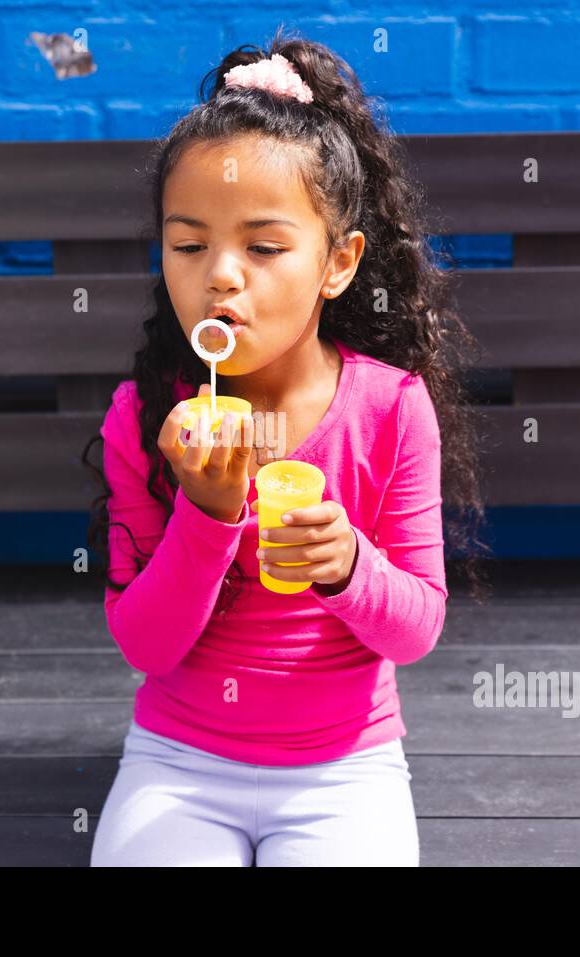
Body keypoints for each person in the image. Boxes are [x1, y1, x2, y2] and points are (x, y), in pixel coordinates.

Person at [81, 26, 490, 866]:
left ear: (337, 263)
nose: (222, 275)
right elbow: (146, 647)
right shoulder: (144, 415)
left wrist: (346, 563)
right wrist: (208, 510)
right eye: (189, 245)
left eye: (263, 248)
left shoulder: (390, 410)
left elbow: (415, 630)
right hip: (181, 762)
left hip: (345, 770)